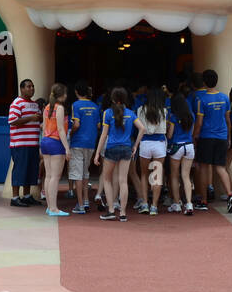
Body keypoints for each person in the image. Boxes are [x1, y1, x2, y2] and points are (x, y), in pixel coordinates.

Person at [192, 70, 232, 212]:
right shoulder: (224, 98)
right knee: (220, 168)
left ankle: (204, 201)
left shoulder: (201, 100)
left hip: (206, 137)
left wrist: (194, 137)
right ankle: (230, 194)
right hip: (222, 136)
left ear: (204, 82)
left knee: (204, 167)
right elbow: (228, 120)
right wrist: (228, 137)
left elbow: (199, 122)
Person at [94, 87, 136, 221]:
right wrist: (135, 145)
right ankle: (123, 213)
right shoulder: (131, 113)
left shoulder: (107, 113)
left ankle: (111, 210)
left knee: (107, 179)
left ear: (112, 99)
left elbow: (103, 135)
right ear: (124, 99)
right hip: (126, 148)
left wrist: (96, 153)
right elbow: (142, 128)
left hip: (111, 148)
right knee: (123, 181)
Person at [8, 78, 42, 207]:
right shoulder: (16, 103)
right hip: (20, 144)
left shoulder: (35, 104)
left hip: (33, 143)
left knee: (30, 170)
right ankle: (15, 197)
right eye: (28, 86)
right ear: (21, 89)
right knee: (19, 170)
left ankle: (27, 196)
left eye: (32, 86)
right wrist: (31, 118)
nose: (31, 89)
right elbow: (12, 121)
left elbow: (38, 120)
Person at [68, 81, 100, 215]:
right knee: (85, 172)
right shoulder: (95, 106)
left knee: (77, 174)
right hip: (91, 143)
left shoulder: (75, 105)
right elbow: (98, 126)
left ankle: (80, 205)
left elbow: (76, 124)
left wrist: (70, 134)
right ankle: (86, 200)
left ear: (76, 92)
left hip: (78, 142)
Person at [39, 83, 71, 216]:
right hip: (56, 142)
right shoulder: (60, 108)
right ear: (62, 95)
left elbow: (43, 126)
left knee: (48, 176)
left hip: (45, 141)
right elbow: (61, 129)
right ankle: (53, 208)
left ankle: (49, 206)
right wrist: (67, 148)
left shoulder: (46, 107)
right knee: (55, 177)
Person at [136, 92, 168, 216]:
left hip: (145, 142)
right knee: (156, 176)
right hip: (159, 143)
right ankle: (154, 206)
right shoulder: (164, 111)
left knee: (144, 174)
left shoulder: (140, 110)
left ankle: (144, 203)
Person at [167, 86, 196, 214]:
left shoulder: (173, 117)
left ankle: (177, 203)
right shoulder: (191, 116)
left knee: (174, 176)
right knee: (186, 176)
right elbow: (193, 132)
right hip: (189, 146)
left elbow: (169, 135)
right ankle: (189, 204)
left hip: (177, 146)